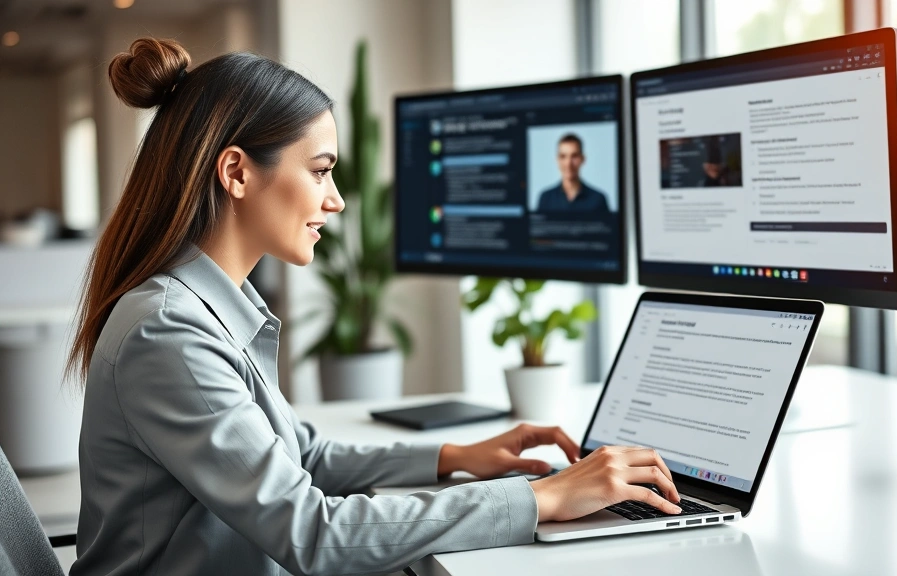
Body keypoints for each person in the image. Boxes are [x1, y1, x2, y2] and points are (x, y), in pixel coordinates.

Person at [65, 38, 681, 576]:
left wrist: (453, 457)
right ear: (236, 172)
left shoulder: (208, 304)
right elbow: (312, 534)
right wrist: (542, 499)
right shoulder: (169, 330)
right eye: (321, 171)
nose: (335, 201)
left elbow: (298, 455)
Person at [536, 133, 610, 212]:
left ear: (582, 159)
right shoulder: (546, 199)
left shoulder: (598, 200)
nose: (568, 164)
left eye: (574, 156)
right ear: (557, 160)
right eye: (563, 156)